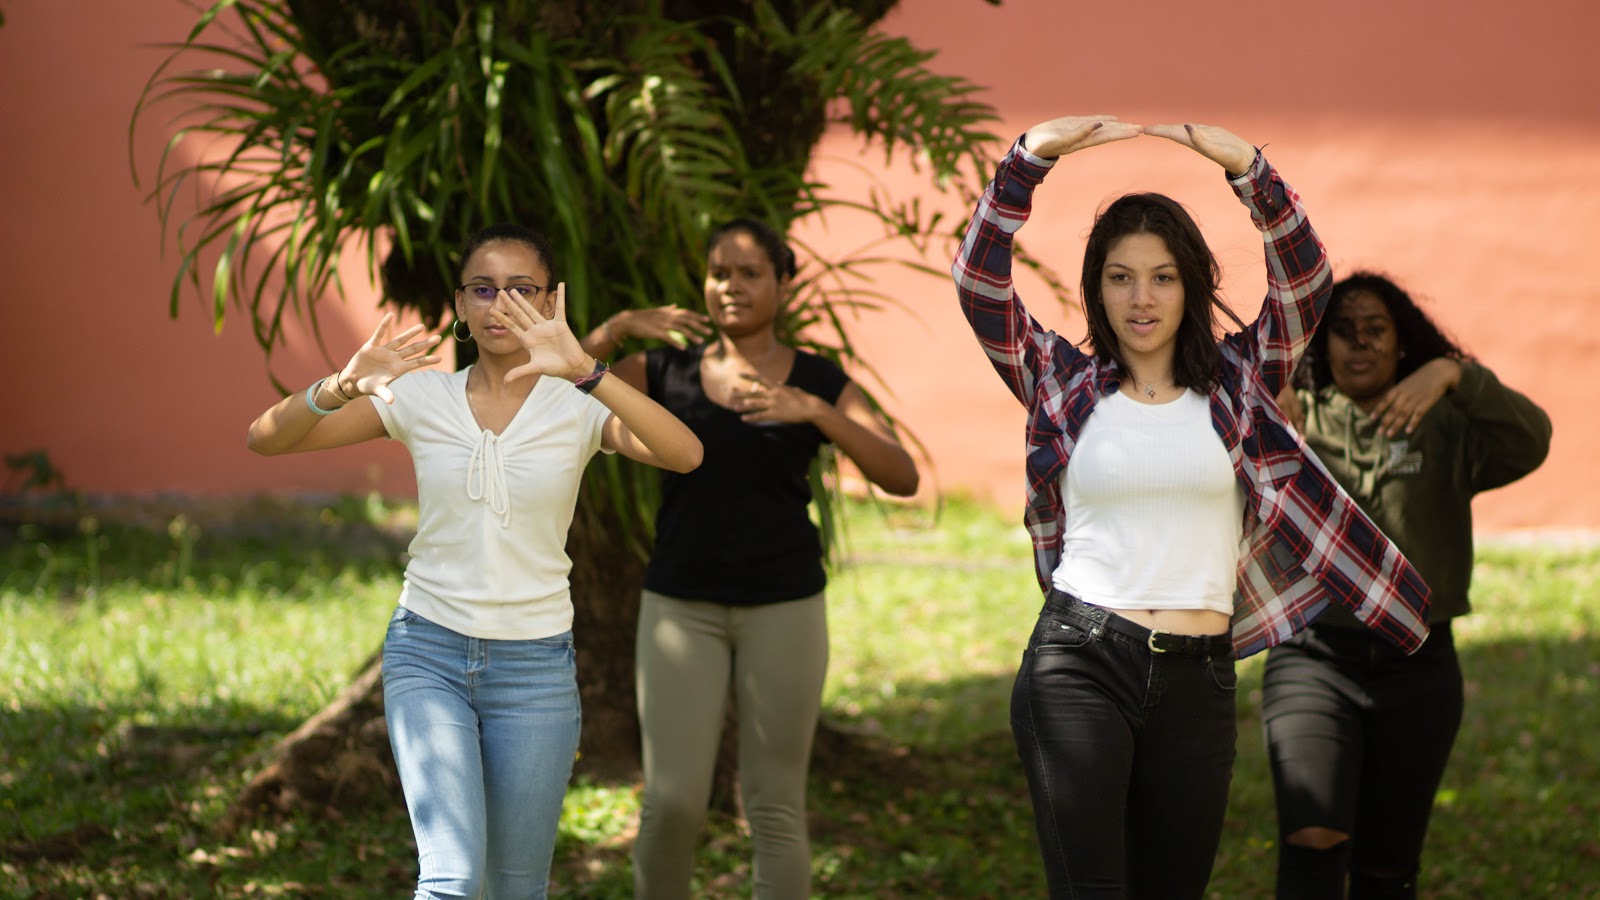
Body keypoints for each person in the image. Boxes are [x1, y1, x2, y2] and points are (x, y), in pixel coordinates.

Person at [950, 115, 1433, 899]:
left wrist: (1252, 172)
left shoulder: (1243, 380)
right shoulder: (1059, 381)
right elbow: (978, 281)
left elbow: (1307, 281)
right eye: (1120, 276)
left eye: (1164, 276)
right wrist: (1029, 158)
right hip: (1080, 661)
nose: (1141, 298)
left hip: (1199, 684)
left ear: (1193, 285)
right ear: (1095, 287)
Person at [246, 223, 703, 899]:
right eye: (483, 289)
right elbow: (266, 440)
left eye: (522, 290)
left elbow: (684, 453)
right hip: (427, 651)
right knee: (452, 879)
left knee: (519, 887)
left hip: (536, 666)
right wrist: (341, 385)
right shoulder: (420, 398)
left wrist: (587, 370)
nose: (500, 305)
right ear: (460, 306)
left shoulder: (577, 406)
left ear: (551, 304)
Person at [608, 218, 920, 900]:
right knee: (672, 803)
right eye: (720, 272)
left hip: (784, 605)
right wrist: (614, 330)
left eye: (750, 273)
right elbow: (559, 404)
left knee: (775, 807)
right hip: (680, 607)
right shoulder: (663, 370)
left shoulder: (817, 379)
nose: (731, 287)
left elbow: (901, 475)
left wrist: (815, 412)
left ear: (784, 282)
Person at [1264, 272, 1551, 899]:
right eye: (1343, 332)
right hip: (1313, 658)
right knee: (1313, 838)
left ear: (1402, 345)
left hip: (1420, 669)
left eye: (1376, 331)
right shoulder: (1296, 418)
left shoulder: (1442, 420)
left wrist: (1453, 374)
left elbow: (1531, 440)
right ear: (1322, 344)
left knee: (1388, 867)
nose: (1359, 345)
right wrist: (1266, 395)